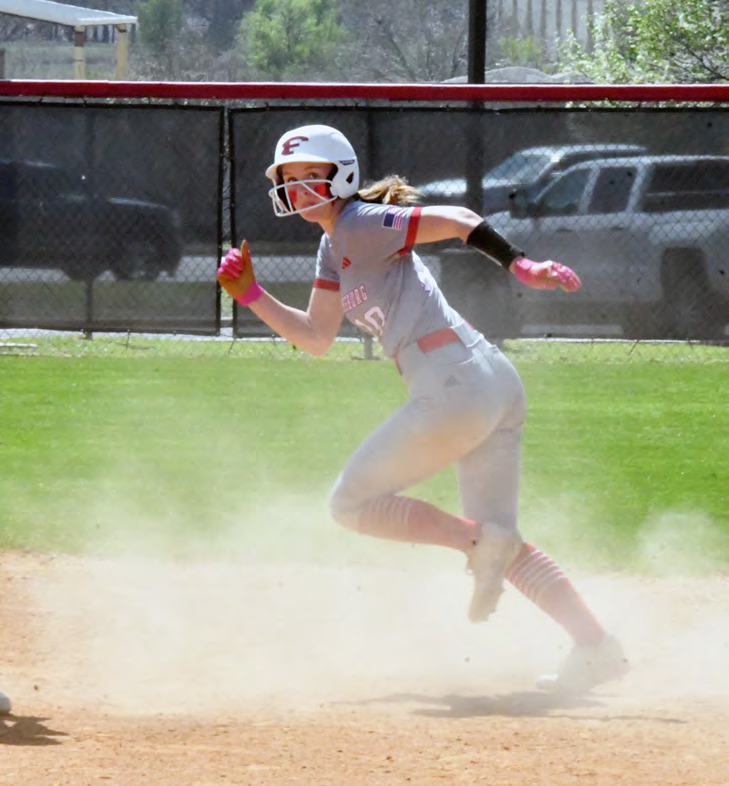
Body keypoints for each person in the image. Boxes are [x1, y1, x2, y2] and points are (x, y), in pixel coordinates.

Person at [217, 124, 630, 695]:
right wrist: (252, 296)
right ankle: (597, 647)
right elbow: (316, 336)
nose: (296, 187)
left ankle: (479, 547)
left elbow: (459, 220)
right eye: (289, 179)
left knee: (349, 504)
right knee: (499, 541)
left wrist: (521, 265)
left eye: (309, 175)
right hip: (483, 384)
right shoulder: (333, 243)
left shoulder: (359, 223)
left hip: (456, 386)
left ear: (342, 176)